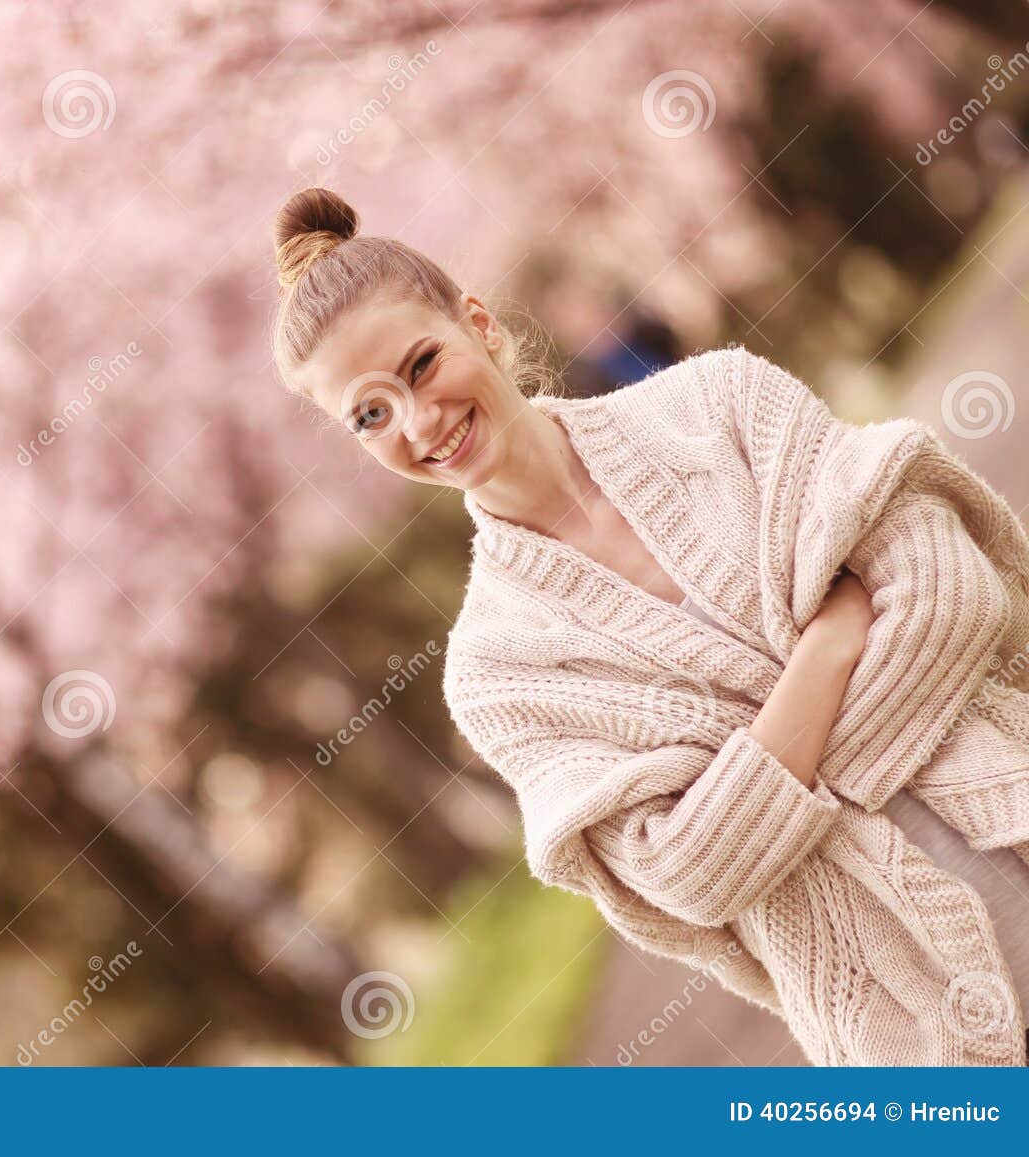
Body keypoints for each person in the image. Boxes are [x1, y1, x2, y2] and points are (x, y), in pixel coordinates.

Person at [269, 186, 1029, 1066]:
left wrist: (762, 798)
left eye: (421, 365)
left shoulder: (720, 402)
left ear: (478, 323)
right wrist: (830, 642)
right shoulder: (496, 675)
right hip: (921, 1039)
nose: (417, 420)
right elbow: (691, 872)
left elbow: (948, 593)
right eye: (369, 415)